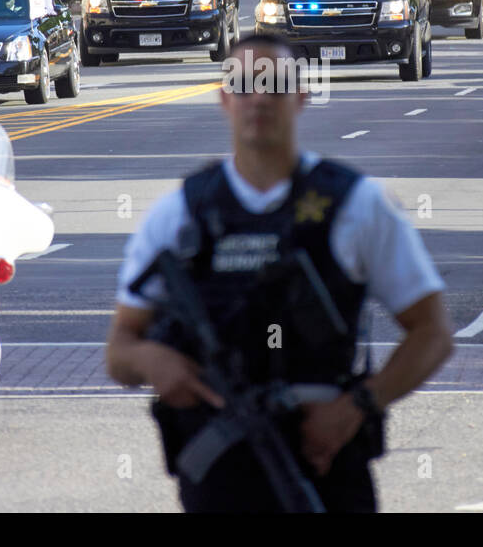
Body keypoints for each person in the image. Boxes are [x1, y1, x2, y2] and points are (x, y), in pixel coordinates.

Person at [106, 33, 454, 512]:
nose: (261, 97)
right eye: (245, 84)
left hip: (326, 458)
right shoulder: (182, 213)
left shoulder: (353, 204)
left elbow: (432, 332)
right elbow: (119, 349)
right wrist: (154, 362)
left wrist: (358, 408)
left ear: (302, 95)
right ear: (225, 97)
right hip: (220, 465)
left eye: (277, 83)